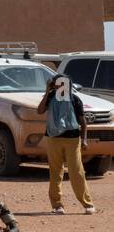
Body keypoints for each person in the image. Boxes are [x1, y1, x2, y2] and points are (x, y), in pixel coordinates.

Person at [37, 74, 96, 214]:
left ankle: (87, 204)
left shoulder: (75, 100)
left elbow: (83, 122)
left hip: (72, 140)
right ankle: (57, 205)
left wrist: (84, 140)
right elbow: (39, 111)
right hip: (53, 139)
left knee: (77, 172)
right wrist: (47, 91)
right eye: (58, 83)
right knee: (55, 172)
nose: (60, 86)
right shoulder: (50, 97)